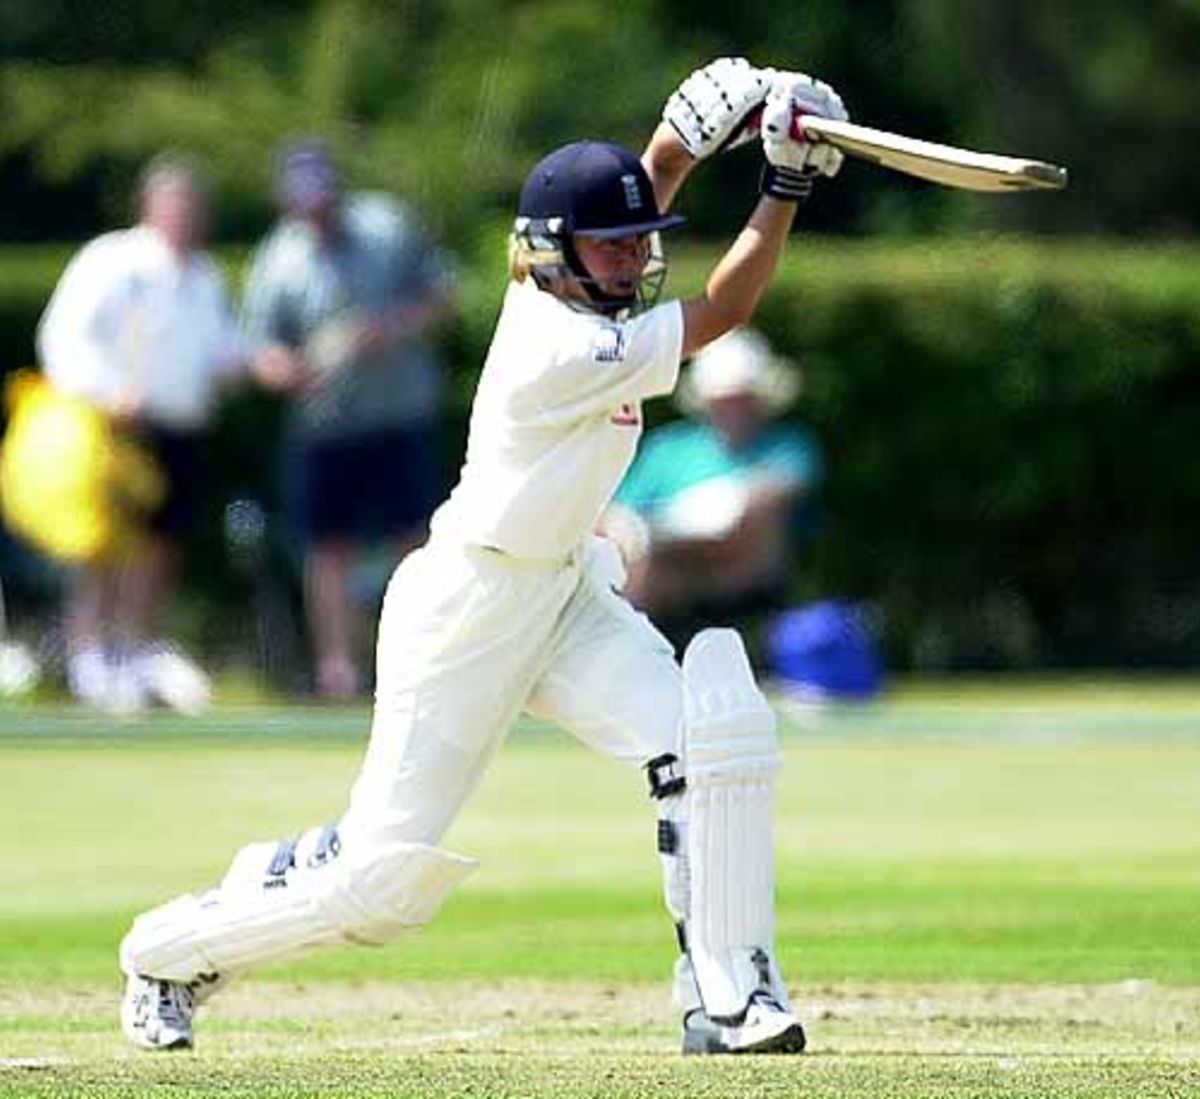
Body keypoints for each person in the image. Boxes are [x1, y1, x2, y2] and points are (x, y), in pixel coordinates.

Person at [118, 57, 847, 1056]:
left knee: (714, 736)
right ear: (556, 253)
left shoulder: (588, 295)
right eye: (615, 247)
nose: (636, 261)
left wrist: (679, 141)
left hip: (560, 595)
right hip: (466, 607)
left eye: (643, 244)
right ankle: (167, 950)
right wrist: (785, 185)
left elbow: (625, 204)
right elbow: (724, 310)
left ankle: (728, 993)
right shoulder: (560, 345)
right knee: (377, 887)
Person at [242, 143, 456, 698]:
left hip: (397, 413)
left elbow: (441, 296)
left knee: (415, 538)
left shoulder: (387, 226)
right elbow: (260, 350)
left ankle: (426, 657)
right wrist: (288, 370)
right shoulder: (277, 259)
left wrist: (393, 327)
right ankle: (339, 670)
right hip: (324, 425)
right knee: (326, 548)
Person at [35, 154, 246, 714]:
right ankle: (90, 659)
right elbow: (62, 338)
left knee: (161, 548)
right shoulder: (112, 261)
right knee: (105, 546)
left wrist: (247, 364)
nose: (184, 217)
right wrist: (104, 394)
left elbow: (221, 347)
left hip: (180, 429)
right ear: (152, 206)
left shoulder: (204, 275)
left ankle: (134, 651)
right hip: (115, 429)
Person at [601, 327, 823, 650]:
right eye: (725, 400)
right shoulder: (669, 448)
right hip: (664, 565)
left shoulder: (786, 445)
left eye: (742, 399)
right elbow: (620, 514)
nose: (734, 409)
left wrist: (723, 514)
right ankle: (625, 650)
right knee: (633, 552)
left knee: (761, 518)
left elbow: (777, 493)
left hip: (746, 571)